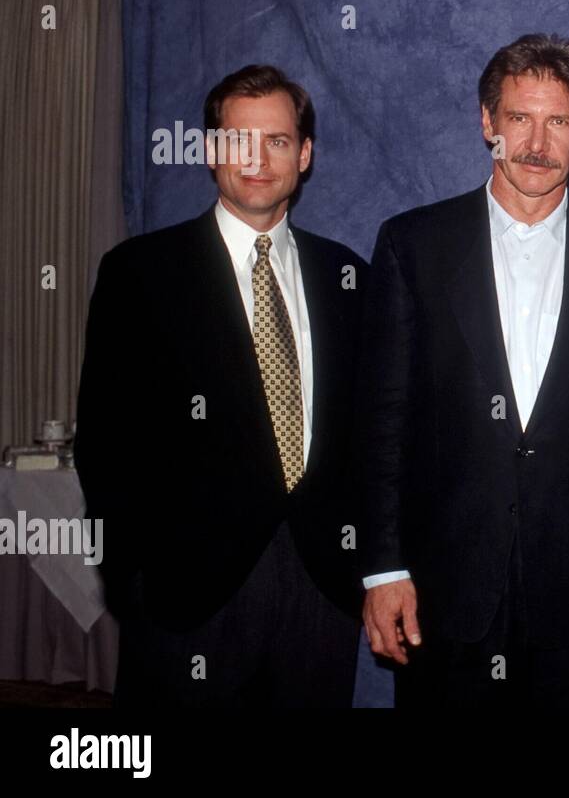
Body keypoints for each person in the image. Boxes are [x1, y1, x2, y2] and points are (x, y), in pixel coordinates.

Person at [357, 33, 569, 708]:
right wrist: (383, 566)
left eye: (558, 121)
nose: (536, 141)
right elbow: (382, 422)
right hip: (440, 586)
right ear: (487, 123)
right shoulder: (413, 244)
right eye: (519, 118)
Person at [75, 65, 368, 706]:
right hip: (188, 598)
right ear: (211, 151)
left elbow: (371, 437)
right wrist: (130, 580)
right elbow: (104, 442)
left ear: (306, 154)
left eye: (279, 141)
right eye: (240, 141)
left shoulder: (346, 274)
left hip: (322, 597)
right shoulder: (141, 274)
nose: (258, 160)